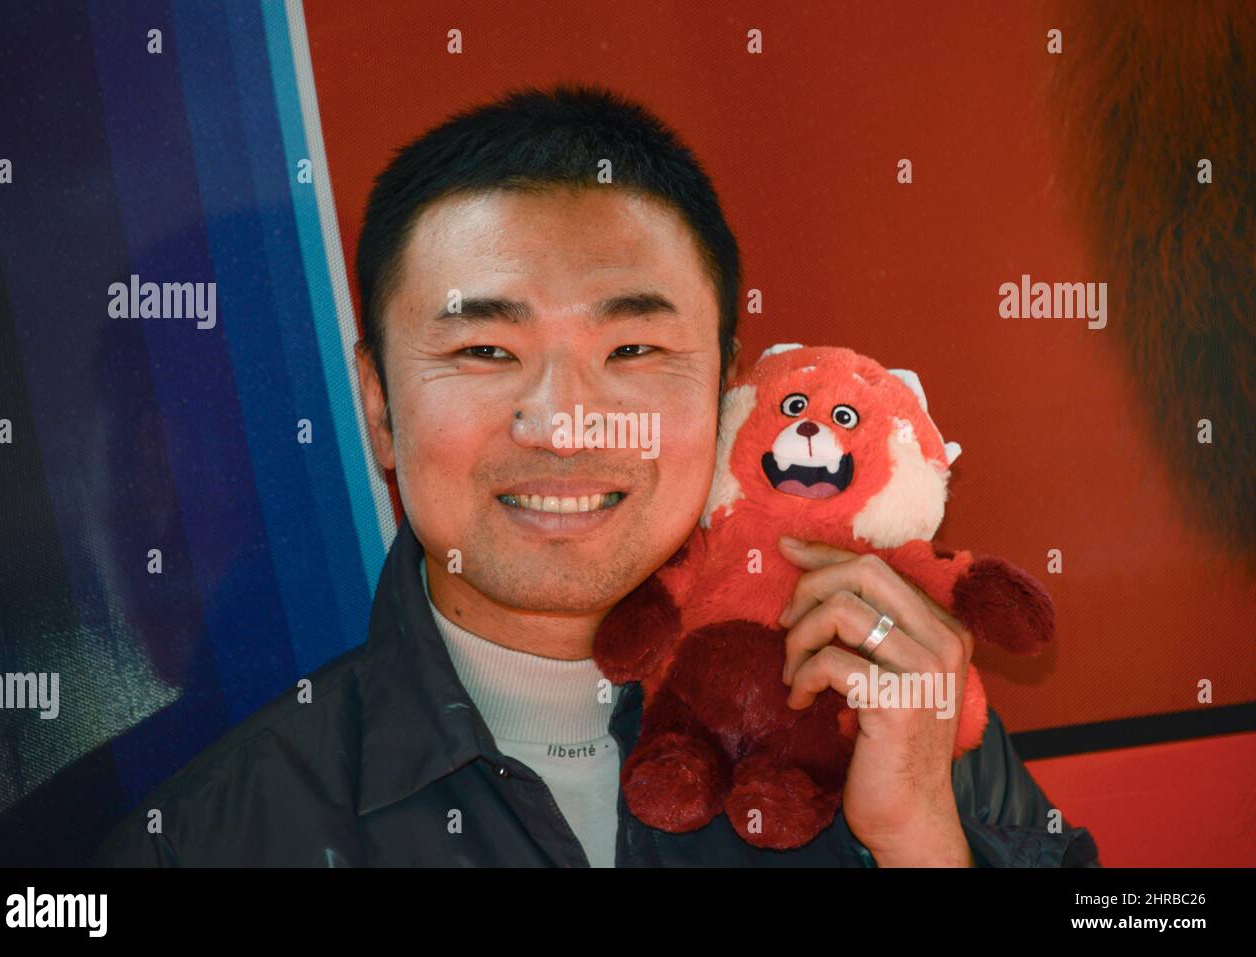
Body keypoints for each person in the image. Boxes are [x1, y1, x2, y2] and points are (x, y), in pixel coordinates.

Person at [92, 84, 1099, 868]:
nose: (564, 426)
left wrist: (923, 842)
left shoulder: (903, 710)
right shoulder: (206, 838)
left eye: (632, 353)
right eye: (486, 354)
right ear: (379, 407)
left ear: (729, 396)